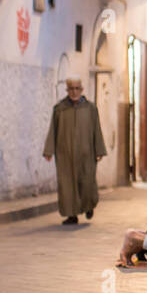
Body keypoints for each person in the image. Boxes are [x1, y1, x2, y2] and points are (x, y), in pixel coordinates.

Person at [43, 77, 106, 225]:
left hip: (86, 153)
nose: (74, 92)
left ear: (81, 90)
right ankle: (72, 215)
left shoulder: (90, 109)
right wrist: (49, 150)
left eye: (77, 88)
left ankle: (88, 206)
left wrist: (99, 150)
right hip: (65, 155)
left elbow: (97, 129)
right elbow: (53, 130)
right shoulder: (60, 109)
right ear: (67, 90)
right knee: (67, 185)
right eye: (71, 89)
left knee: (87, 182)